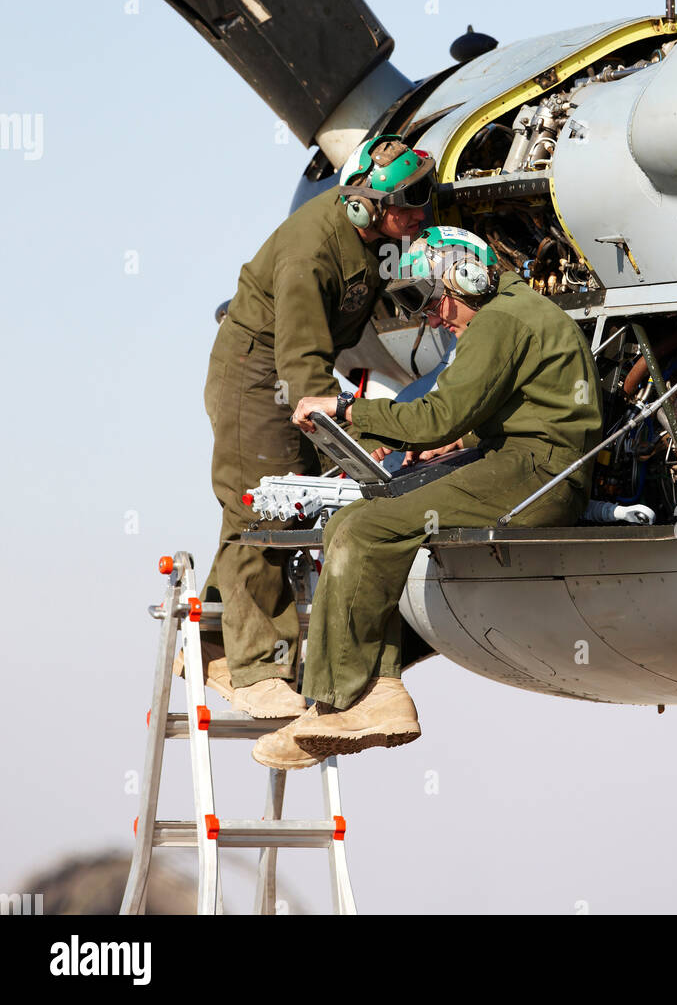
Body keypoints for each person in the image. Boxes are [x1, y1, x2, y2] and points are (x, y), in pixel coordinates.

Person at [251, 225, 603, 768]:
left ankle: (352, 698)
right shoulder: (514, 312)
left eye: (435, 303)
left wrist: (345, 409)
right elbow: (495, 410)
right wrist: (456, 442)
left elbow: (437, 416)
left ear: (467, 277)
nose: (436, 319)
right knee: (355, 518)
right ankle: (355, 697)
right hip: (520, 461)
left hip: (537, 474)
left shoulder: (502, 320)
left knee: (367, 529)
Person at [180, 136, 435, 718]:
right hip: (256, 376)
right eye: (410, 202)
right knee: (263, 509)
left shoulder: (373, 239)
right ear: (368, 202)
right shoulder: (311, 248)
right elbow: (300, 348)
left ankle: (213, 643)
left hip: (297, 374)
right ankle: (253, 670)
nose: (421, 214)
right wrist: (321, 407)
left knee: (315, 496)